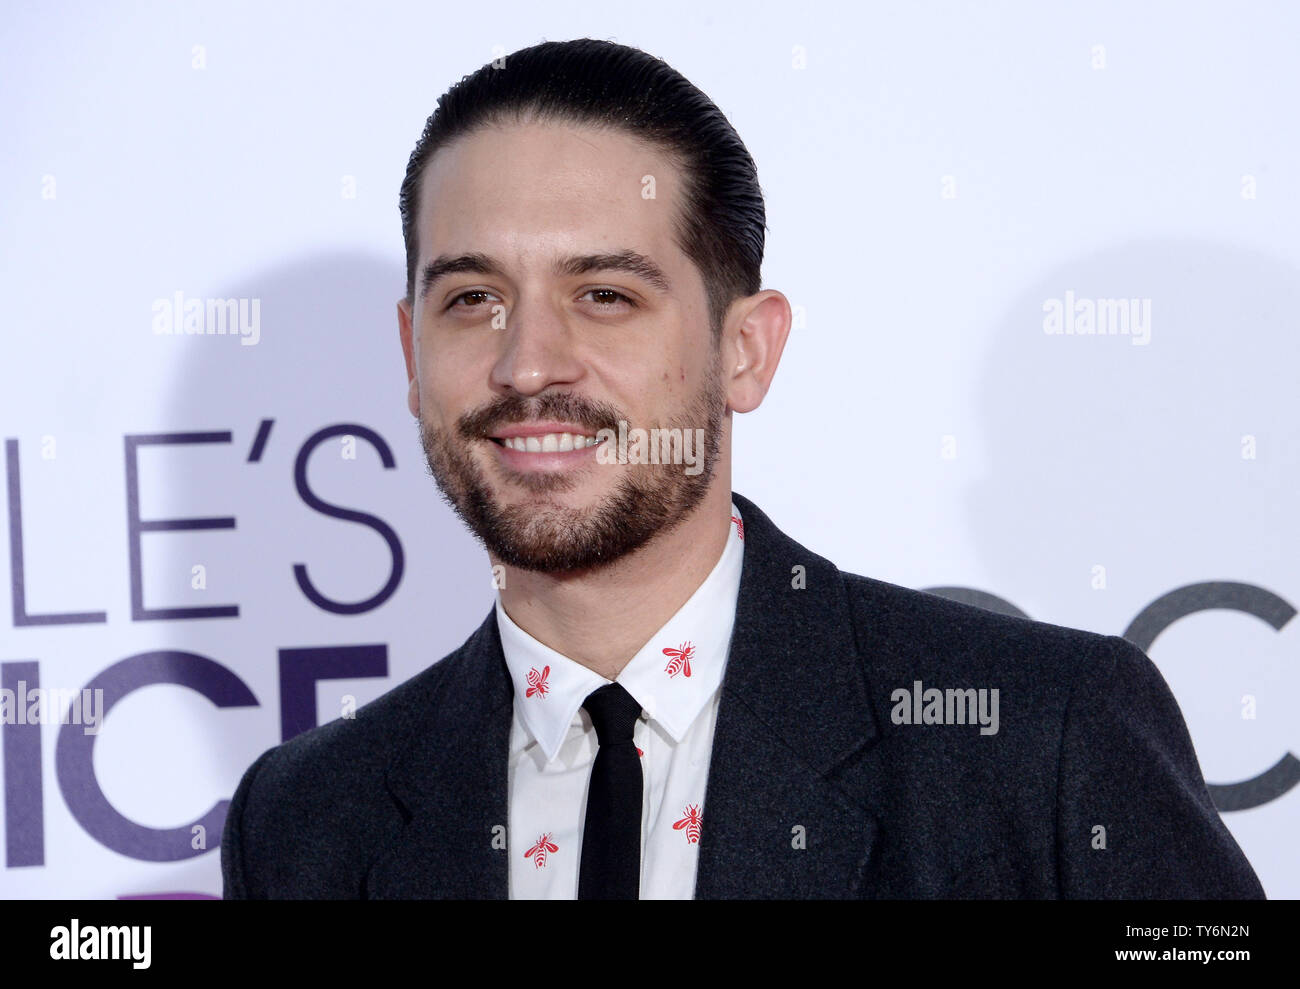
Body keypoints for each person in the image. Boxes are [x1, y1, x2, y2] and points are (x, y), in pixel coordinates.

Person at [220, 38, 1263, 899]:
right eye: (472, 298)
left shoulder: (1042, 739)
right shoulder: (308, 819)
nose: (525, 362)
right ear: (409, 355)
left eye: (605, 295)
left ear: (746, 350)